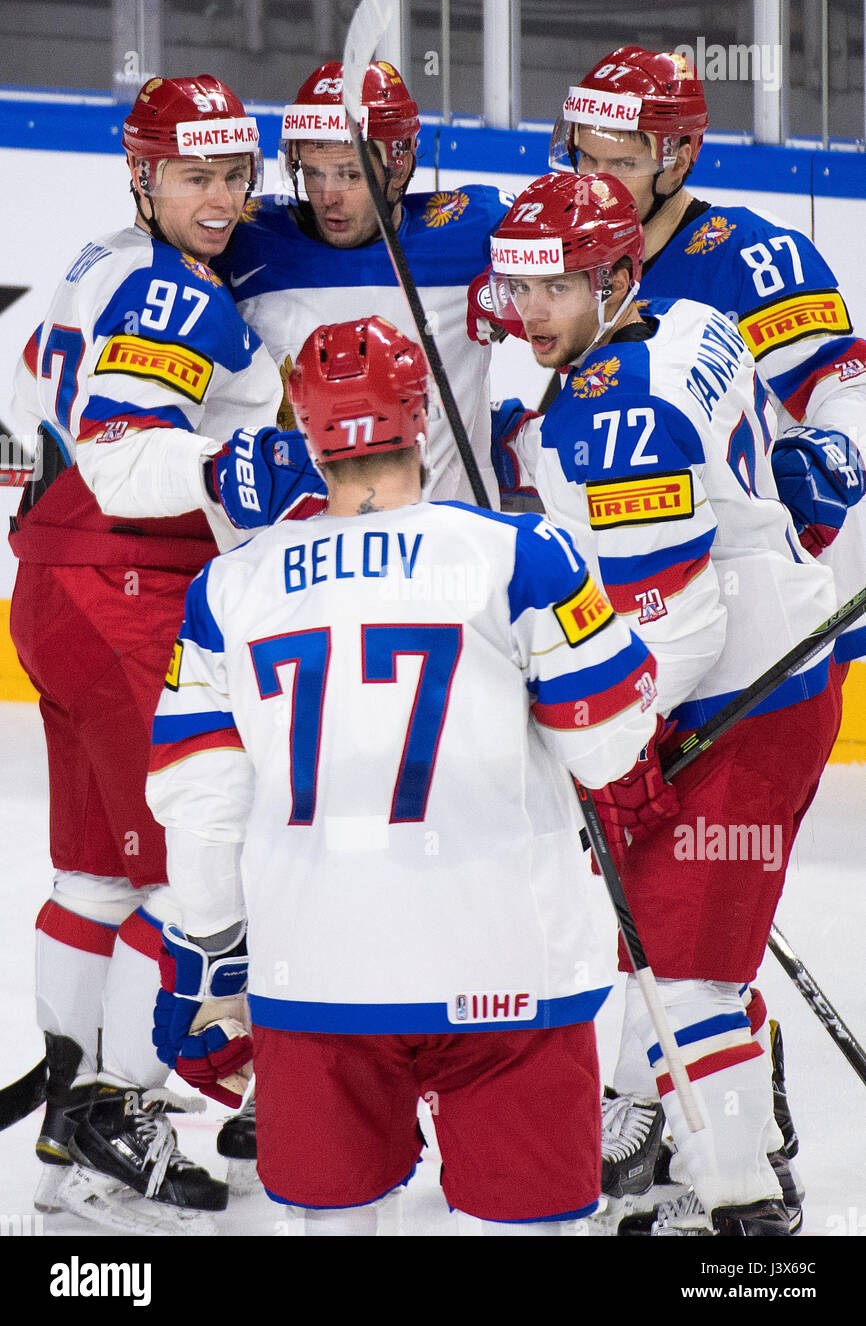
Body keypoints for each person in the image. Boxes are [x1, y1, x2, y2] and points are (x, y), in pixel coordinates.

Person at [144, 314, 664, 1237]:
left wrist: (213, 960)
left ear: (305, 430)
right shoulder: (524, 556)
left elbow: (202, 800)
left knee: (332, 1227)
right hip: (509, 974)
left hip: (315, 977)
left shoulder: (229, 588)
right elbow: (609, 750)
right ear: (420, 417)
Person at [486, 172, 842, 1235]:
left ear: (614, 276)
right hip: (774, 678)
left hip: (725, 701)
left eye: (552, 288)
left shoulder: (617, 416)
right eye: (517, 287)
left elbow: (672, 623)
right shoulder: (683, 320)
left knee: (681, 976)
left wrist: (614, 748)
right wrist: (531, 441)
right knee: (682, 953)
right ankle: (702, 1145)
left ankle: (733, 1206)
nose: (527, 312)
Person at [545, 44, 866, 1213]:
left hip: (740, 630)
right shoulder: (558, 254)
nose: (593, 170)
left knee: (688, 912)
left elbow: (845, 380)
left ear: (677, 153)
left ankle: (712, 1117)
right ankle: (693, 1089)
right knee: (658, 898)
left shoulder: (752, 257)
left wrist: (833, 450)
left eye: (617, 156)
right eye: (577, 150)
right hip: (641, 626)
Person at [8, 74, 324, 1233]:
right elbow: (123, 461)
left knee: (97, 873)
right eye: (197, 175)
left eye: (238, 174)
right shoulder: (167, 292)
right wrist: (235, 469)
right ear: (142, 174)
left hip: (57, 585)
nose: (225, 197)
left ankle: (74, 1133)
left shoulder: (100, 259)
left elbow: (51, 426)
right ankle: (120, 1102)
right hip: (122, 586)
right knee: (204, 847)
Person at [216, 59, 512, 506]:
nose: (329, 196)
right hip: (305, 547)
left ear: (401, 164)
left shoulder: (475, 232)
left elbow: (603, 279)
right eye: (314, 173)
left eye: (350, 175)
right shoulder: (246, 240)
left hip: (447, 547)